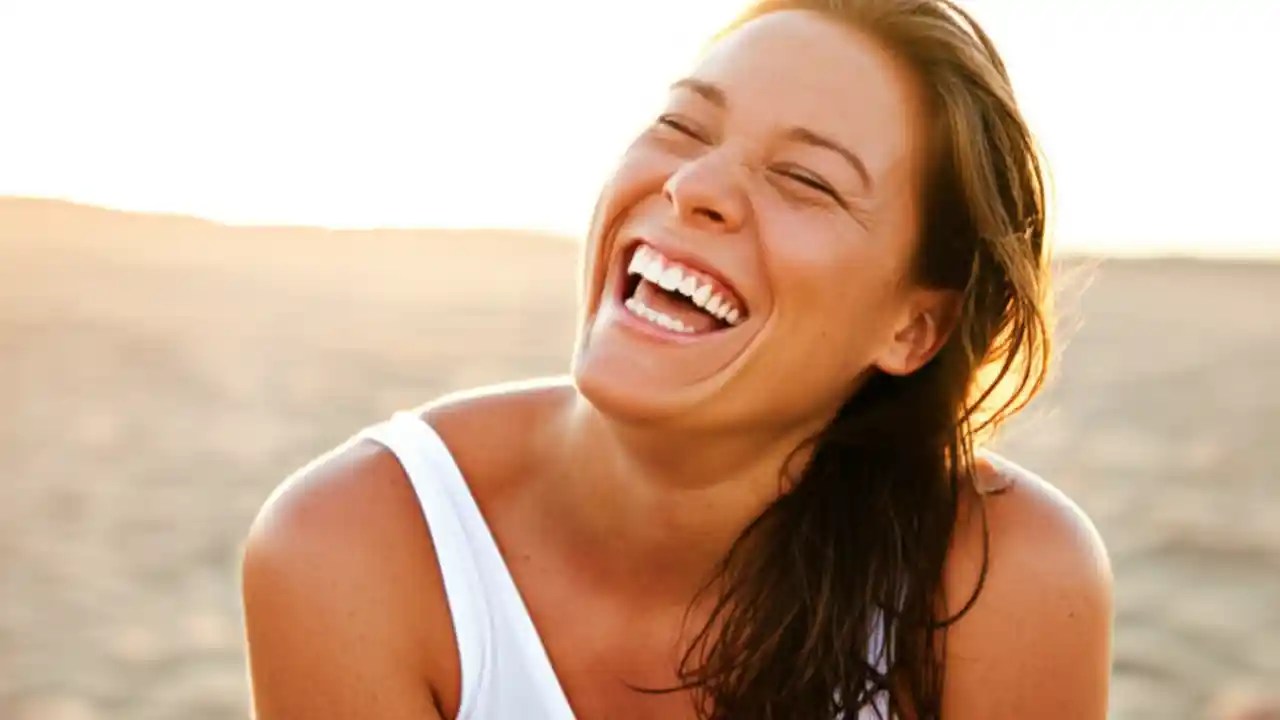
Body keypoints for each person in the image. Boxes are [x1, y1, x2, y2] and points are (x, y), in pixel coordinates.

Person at [239, 1, 1113, 717]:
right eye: (682, 126)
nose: (692, 186)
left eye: (805, 179)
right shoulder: (356, 547)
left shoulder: (1009, 575)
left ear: (913, 329)